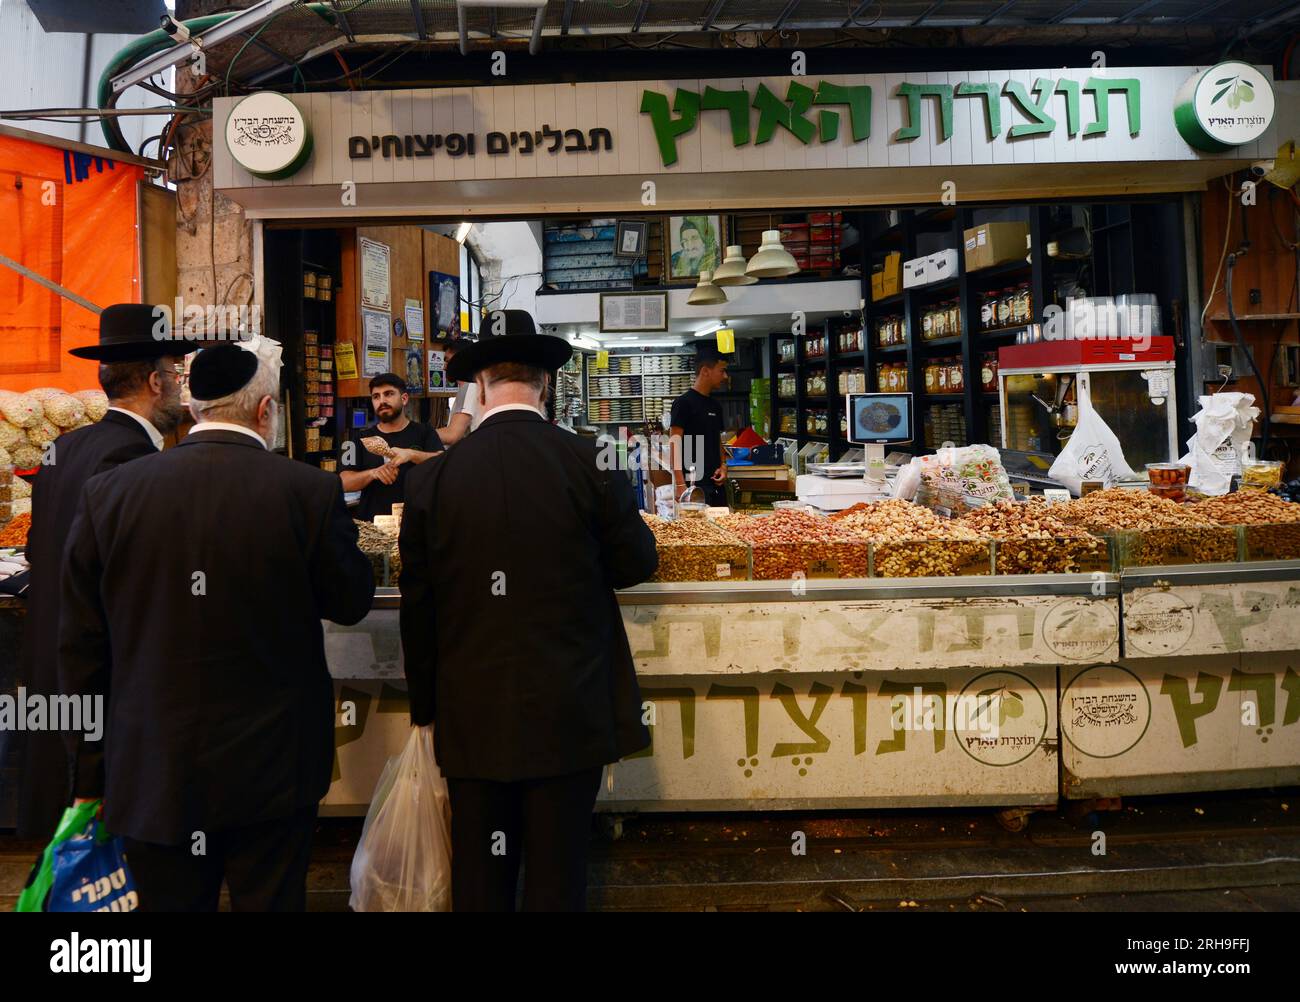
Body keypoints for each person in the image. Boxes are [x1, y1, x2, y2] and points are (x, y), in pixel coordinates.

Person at [58, 341, 374, 911]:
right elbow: (350, 601)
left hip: (155, 762)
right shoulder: (306, 491)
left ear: (195, 408)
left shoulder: (111, 493)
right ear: (265, 411)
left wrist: (91, 769)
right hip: (274, 765)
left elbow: (82, 643)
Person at [399, 309, 657, 912]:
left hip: (471, 712)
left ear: (481, 386)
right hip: (570, 707)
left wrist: (424, 711)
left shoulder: (432, 480)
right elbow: (636, 564)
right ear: (546, 383)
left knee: (480, 881)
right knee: (557, 876)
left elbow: (419, 608)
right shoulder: (594, 461)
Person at [15, 303, 195, 841]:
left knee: (66, 840)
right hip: (104, 678)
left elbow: (35, 550)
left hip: (53, 670)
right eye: (177, 377)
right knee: (109, 847)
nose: (181, 391)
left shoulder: (62, 448)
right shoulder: (136, 461)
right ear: (155, 381)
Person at [339, 372, 442, 521]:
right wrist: (373, 473)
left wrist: (412, 454)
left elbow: (443, 462)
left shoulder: (425, 431)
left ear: (404, 398)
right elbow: (343, 482)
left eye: (388, 394)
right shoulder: (358, 438)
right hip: (374, 526)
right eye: (376, 396)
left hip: (418, 522)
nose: (382, 401)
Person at [669, 343, 730, 507]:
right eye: (721, 370)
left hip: (716, 484)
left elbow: (717, 440)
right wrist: (680, 484)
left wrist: (724, 466)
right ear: (705, 371)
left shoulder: (715, 406)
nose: (725, 376)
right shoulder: (683, 403)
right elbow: (674, 444)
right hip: (693, 485)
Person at [437, 338, 480, 448]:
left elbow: (452, 435)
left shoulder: (470, 387)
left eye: (447, 360)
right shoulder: (470, 387)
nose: (444, 367)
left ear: (462, 360)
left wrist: (416, 434)